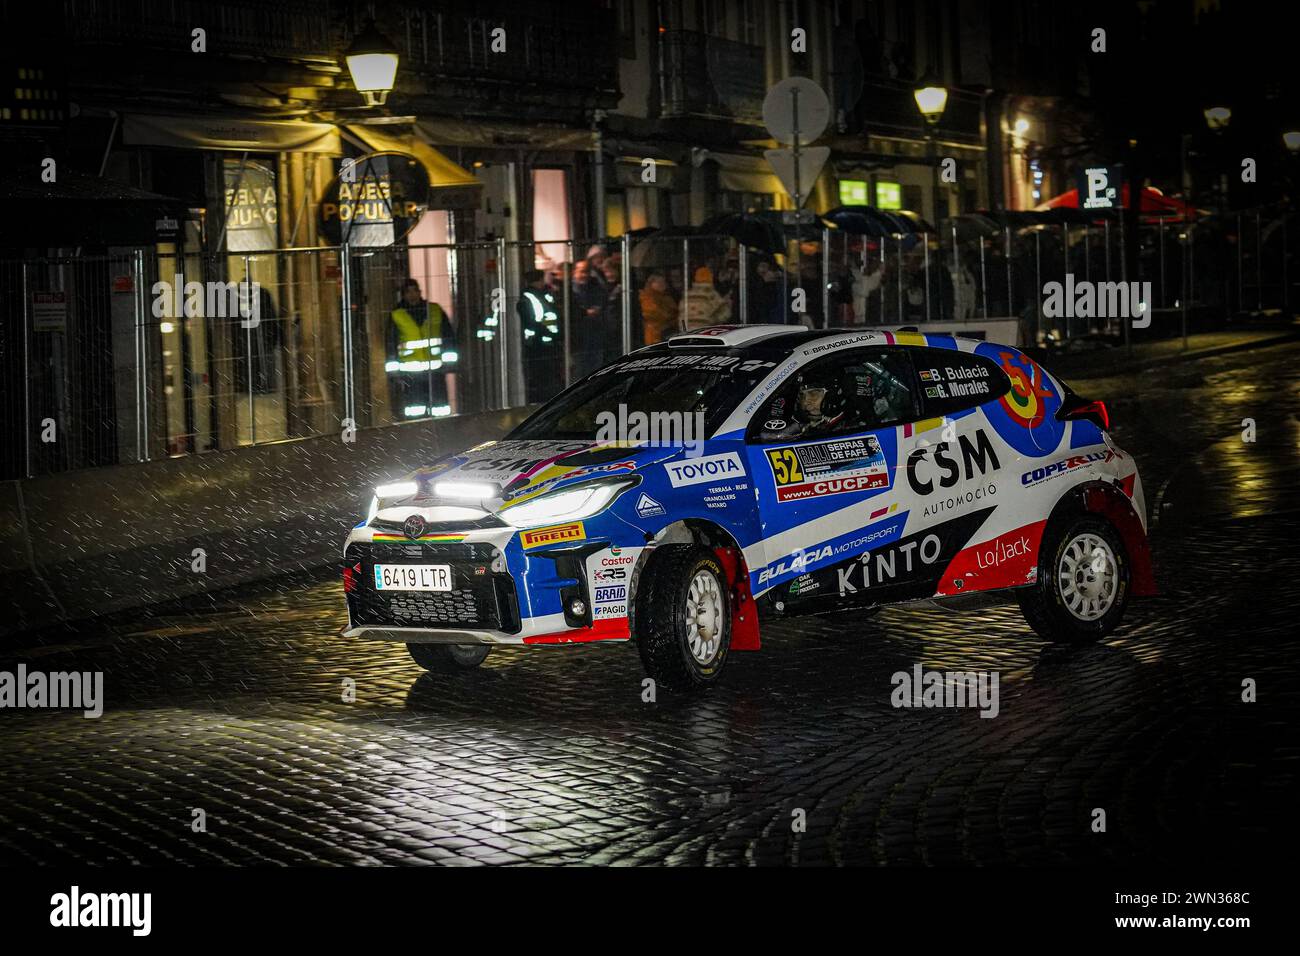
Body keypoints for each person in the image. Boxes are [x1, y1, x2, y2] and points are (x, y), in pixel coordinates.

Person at [389, 278, 457, 418]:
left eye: (415, 291)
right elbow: (391, 345)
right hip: (411, 374)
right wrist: (394, 373)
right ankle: (417, 433)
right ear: (403, 294)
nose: (412, 294)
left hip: (435, 370)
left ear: (420, 292)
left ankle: (442, 432)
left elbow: (448, 336)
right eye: (408, 292)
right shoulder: (397, 315)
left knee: (440, 408)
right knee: (415, 409)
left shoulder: (435, 310)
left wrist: (449, 364)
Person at [518, 269, 563, 403]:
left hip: (548, 343)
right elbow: (531, 322)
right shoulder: (529, 298)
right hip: (538, 345)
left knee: (549, 375)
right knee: (542, 376)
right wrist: (549, 333)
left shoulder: (543, 295)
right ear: (538, 281)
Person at [679, 265, 732, 330]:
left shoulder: (687, 295)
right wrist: (713, 320)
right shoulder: (710, 294)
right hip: (704, 330)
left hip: (686, 331)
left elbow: (681, 314)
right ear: (710, 278)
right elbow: (726, 314)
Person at [639, 271, 678, 344]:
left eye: (663, 282)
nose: (662, 284)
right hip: (653, 334)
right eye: (658, 282)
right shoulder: (646, 297)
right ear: (651, 283)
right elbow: (651, 313)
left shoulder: (667, 298)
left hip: (667, 333)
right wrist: (667, 316)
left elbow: (675, 312)